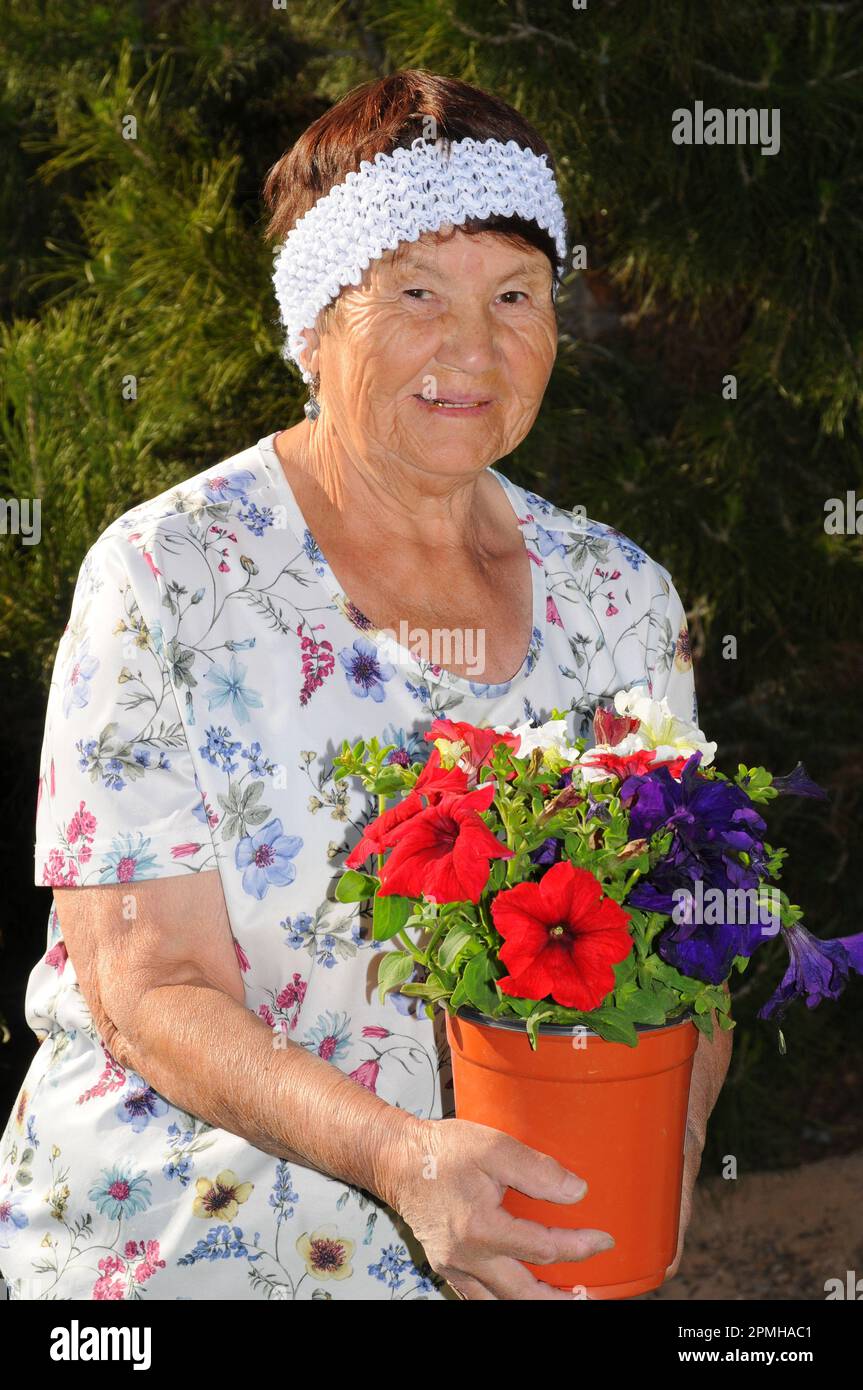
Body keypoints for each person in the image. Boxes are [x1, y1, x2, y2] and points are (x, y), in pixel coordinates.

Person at [0, 69, 730, 1301]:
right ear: (313, 325)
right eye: (413, 295)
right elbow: (147, 985)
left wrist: (641, 1175)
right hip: (184, 1249)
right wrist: (401, 1158)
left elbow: (685, 943)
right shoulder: (169, 576)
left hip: (511, 1256)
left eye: (515, 295)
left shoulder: (618, 599)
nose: (472, 348)